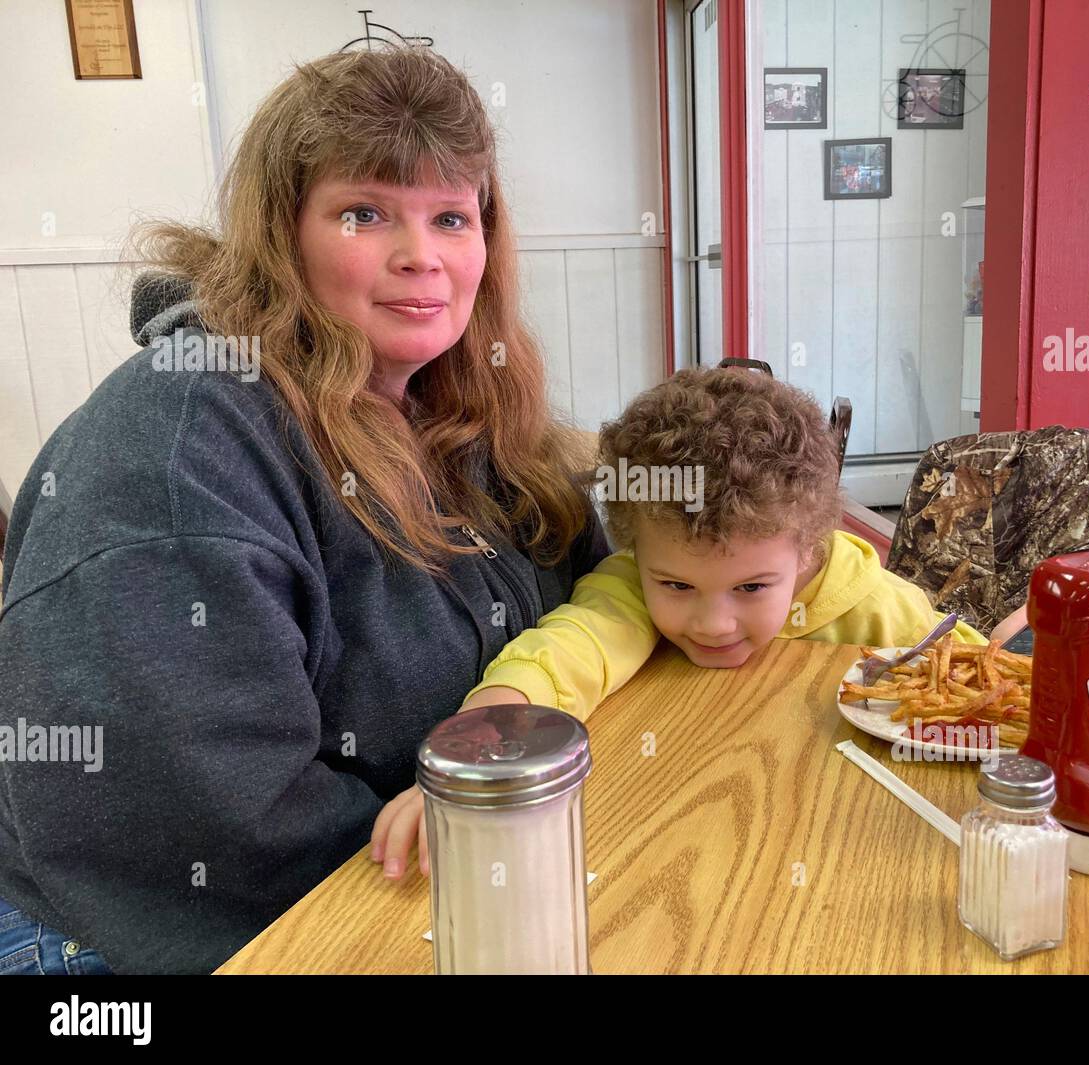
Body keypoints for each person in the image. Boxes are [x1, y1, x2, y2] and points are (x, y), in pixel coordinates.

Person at [0, 46, 643, 974]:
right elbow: (215, 827)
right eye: (364, 213)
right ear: (282, 235)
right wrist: (496, 859)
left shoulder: (459, 404)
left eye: (451, 217)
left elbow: (597, 588)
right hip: (138, 951)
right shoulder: (179, 440)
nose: (421, 256)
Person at [371, 368, 986, 875]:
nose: (714, 622)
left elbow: (991, 682)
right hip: (681, 847)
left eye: (751, 587)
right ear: (635, 548)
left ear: (807, 550)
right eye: (676, 585)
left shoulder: (880, 608)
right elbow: (559, 655)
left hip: (852, 853)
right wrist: (473, 758)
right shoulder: (629, 592)